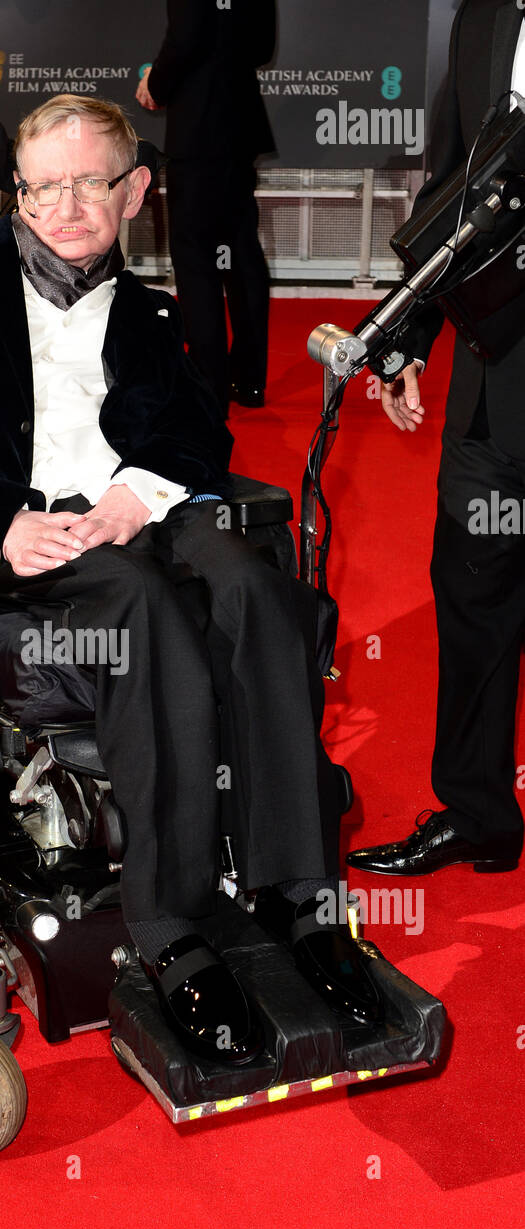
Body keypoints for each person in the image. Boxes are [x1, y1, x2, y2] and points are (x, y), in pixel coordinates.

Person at [0, 95, 380, 1063]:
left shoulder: (153, 309)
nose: (64, 206)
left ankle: (301, 897)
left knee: (257, 589)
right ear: (15, 192)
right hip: (21, 537)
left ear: (134, 189)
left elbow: (195, 434)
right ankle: (171, 926)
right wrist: (3, 521)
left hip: (137, 513)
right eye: (41, 186)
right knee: (144, 610)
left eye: (87, 183)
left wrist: (139, 498)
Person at [346, 0, 525, 879]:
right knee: (473, 591)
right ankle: (480, 815)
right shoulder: (485, 17)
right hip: (494, 382)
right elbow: (449, 186)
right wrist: (409, 337)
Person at [136, 0, 276, 414]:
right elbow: (261, 48)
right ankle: (248, 379)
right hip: (240, 125)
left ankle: (208, 387)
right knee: (240, 252)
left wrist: (154, 84)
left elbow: (185, 37)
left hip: (198, 128)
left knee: (196, 258)